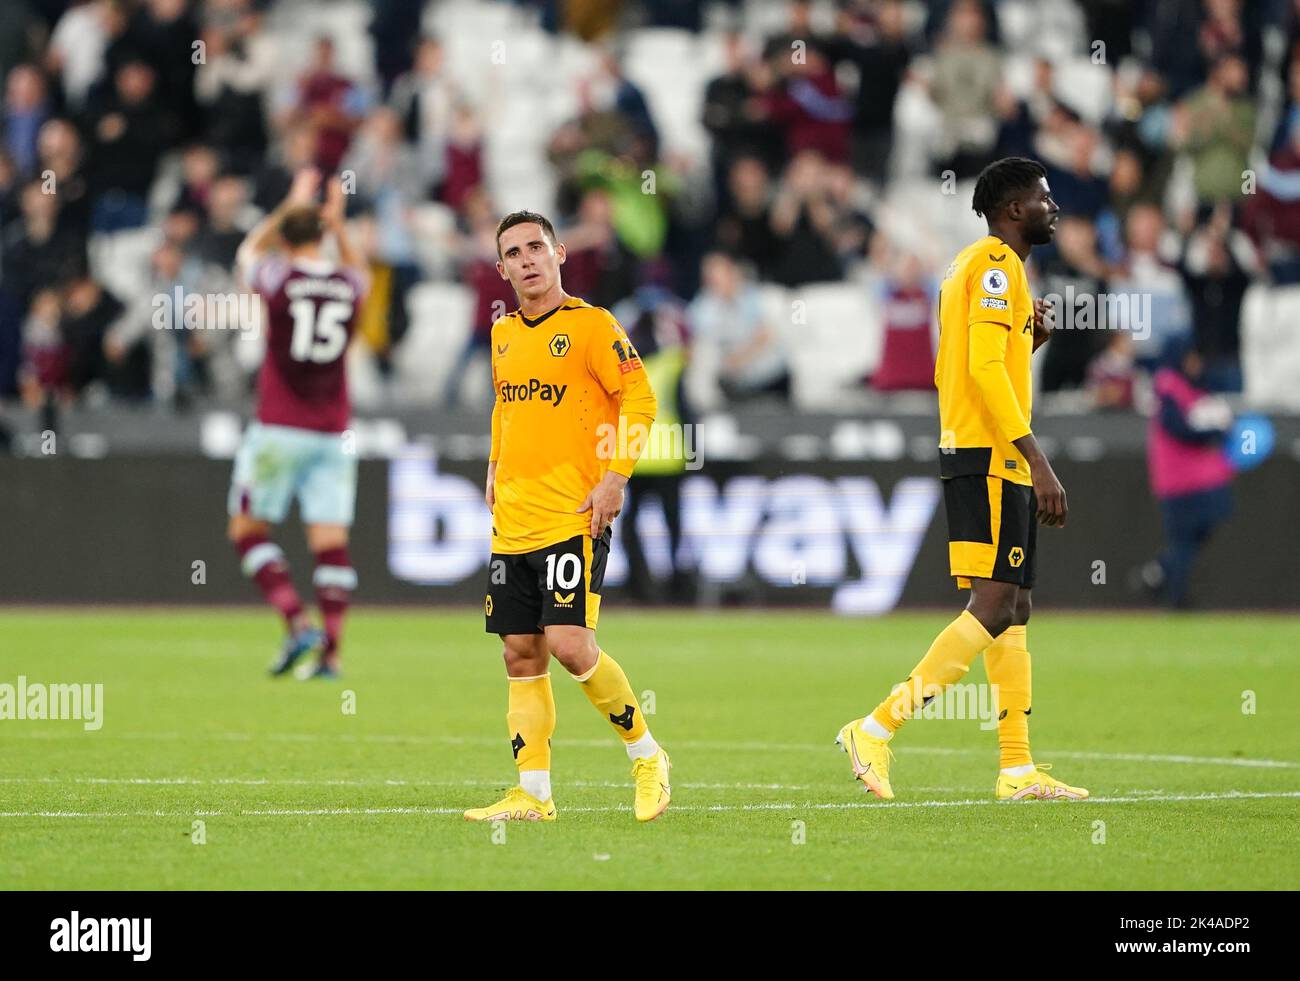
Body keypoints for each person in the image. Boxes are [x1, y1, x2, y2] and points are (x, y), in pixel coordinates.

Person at [836, 157, 1089, 802]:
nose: (1052, 207)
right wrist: (1038, 460)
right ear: (1013, 210)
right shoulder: (999, 268)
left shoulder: (969, 265)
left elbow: (971, 363)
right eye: (1042, 198)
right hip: (990, 455)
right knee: (995, 603)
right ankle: (876, 726)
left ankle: (1016, 768)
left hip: (975, 447)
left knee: (1015, 607)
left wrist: (1028, 345)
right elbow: (979, 367)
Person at [464, 210, 671, 824]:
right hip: (514, 520)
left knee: (570, 644)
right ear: (501, 269)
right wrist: (495, 463)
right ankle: (533, 793)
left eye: (536, 247)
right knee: (519, 652)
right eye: (513, 253)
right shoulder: (503, 335)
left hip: (572, 515)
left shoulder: (592, 327)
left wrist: (616, 477)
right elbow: (505, 407)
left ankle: (648, 757)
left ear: (559, 254)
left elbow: (641, 397)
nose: (526, 260)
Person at [226, 169, 368, 679]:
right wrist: (339, 224)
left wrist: (291, 203)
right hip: (333, 431)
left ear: (287, 238)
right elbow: (361, 271)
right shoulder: (350, 283)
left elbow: (248, 253)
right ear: (325, 237)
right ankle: (331, 655)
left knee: (247, 528)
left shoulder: (279, 277)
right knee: (330, 541)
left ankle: (296, 622)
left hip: (279, 426)